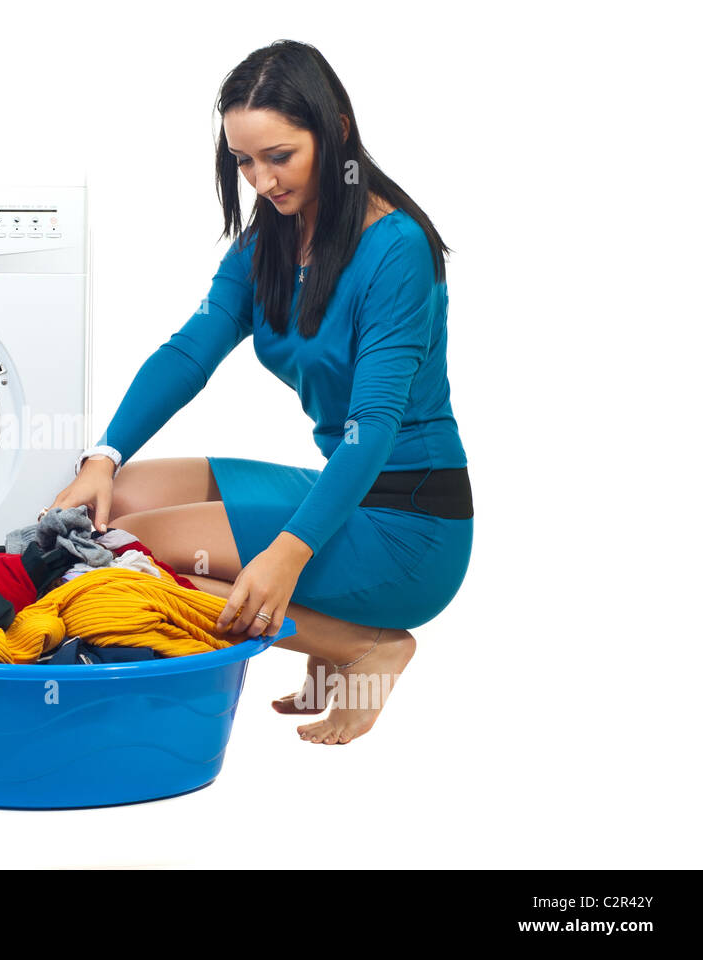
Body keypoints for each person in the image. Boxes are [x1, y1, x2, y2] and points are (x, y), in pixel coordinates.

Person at [45, 40, 474, 745]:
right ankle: (334, 634)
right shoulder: (269, 241)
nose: (262, 180)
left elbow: (375, 423)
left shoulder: (396, 247)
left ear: (334, 131)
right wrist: (103, 457)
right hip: (345, 488)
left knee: (136, 553)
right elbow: (189, 353)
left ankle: (362, 648)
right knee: (109, 507)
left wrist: (289, 550)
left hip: (412, 521)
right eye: (244, 161)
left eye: (279, 156)